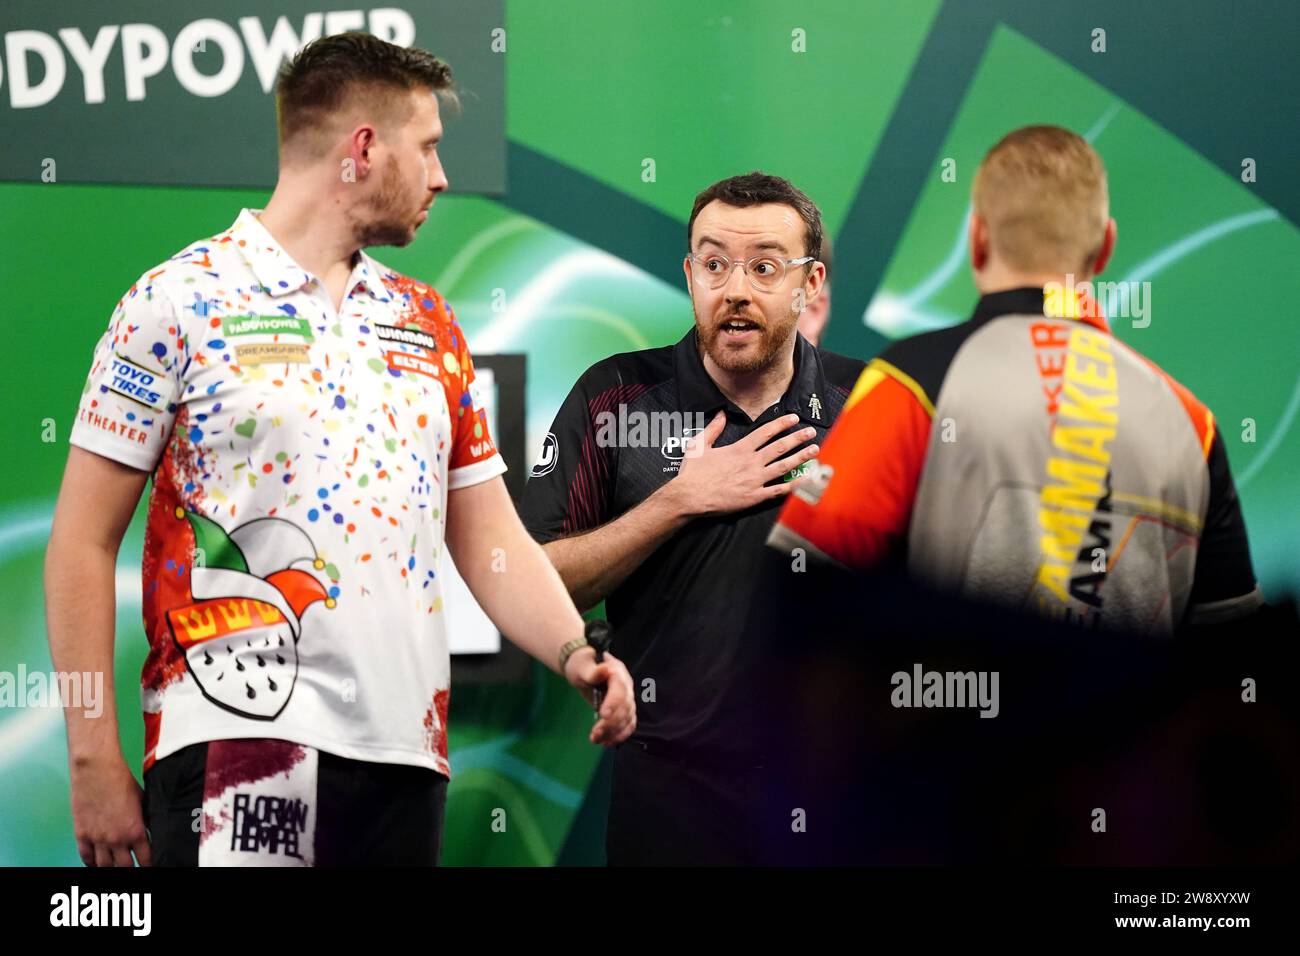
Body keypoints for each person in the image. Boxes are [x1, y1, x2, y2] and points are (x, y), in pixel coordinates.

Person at [45, 32, 635, 868]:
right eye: (427, 148)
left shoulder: (426, 321)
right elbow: (79, 540)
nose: (440, 176)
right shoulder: (176, 300)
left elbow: (493, 542)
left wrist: (576, 650)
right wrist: (90, 755)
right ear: (363, 148)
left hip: (405, 755)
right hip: (237, 742)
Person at [769, 125, 1262, 635]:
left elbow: (797, 591)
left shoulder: (910, 380)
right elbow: (1237, 652)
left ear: (977, 239)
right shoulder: (1192, 423)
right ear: (1106, 246)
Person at [519, 171, 865, 864]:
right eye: (714, 264)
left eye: (764, 267)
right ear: (689, 274)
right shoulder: (613, 396)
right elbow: (532, 579)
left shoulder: (871, 406)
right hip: (668, 800)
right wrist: (677, 501)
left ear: (810, 283)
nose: (734, 289)